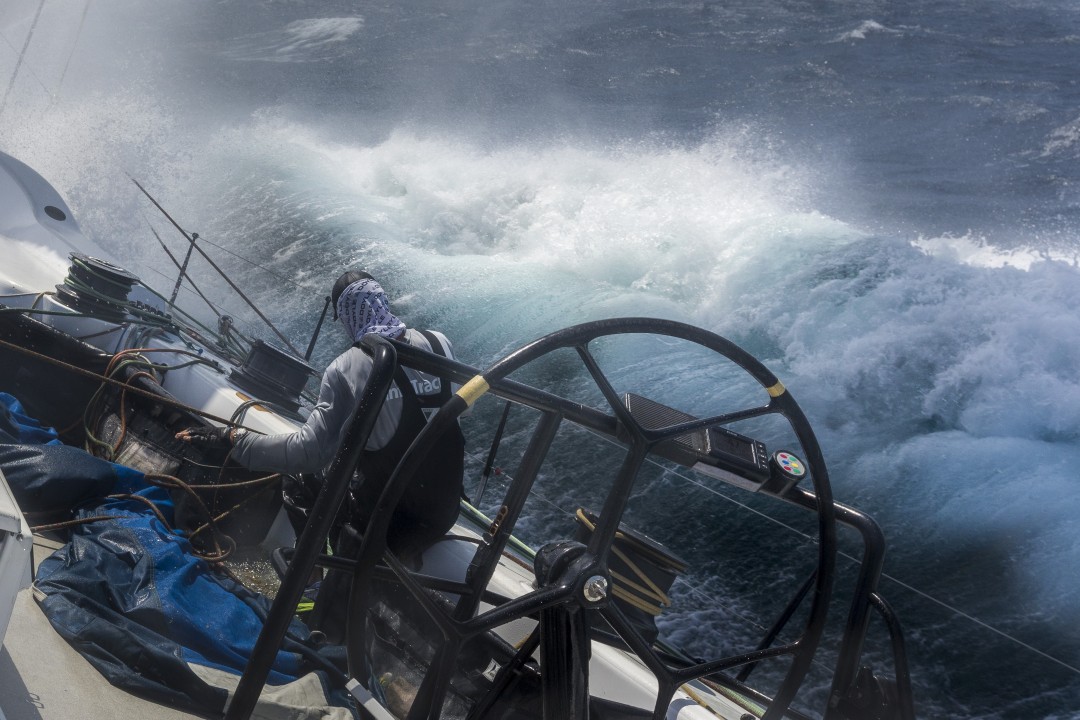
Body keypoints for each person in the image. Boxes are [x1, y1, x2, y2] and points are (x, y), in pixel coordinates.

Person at [177, 271, 465, 636]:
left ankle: (319, 597)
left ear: (346, 316)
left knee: (304, 484)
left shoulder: (347, 367)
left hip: (390, 522)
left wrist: (233, 440)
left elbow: (308, 452)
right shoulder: (439, 343)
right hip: (443, 509)